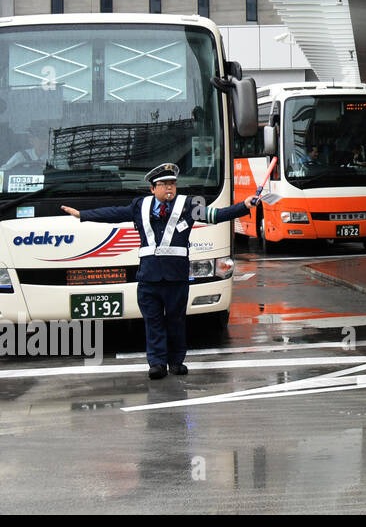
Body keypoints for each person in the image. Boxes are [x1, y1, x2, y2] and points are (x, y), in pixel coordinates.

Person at [60, 163, 258, 380]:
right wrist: (83, 215)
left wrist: (244, 206)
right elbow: (114, 214)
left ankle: (176, 361)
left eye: (172, 184)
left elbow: (216, 215)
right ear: (152, 189)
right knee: (153, 322)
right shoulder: (140, 207)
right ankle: (156, 364)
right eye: (164, 184)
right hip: (149, 278)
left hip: (176, 277)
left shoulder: (189, 205)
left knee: (176, 321)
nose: (169, 188)